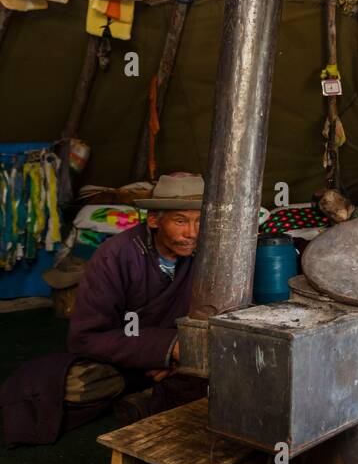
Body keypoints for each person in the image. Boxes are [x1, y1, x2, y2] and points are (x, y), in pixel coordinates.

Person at [0, 172, 207, 445]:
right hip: (122, 356)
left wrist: (181, 357)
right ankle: (153, 392)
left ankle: (153, 394)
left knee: (232, 370)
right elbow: (85, 338)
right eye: (180, 220)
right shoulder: (116, 255)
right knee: (73, 385)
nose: (191, 232)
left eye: (199, 221)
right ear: (155, 219)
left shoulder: (209, 252)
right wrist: (166, 349)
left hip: (179, 357)